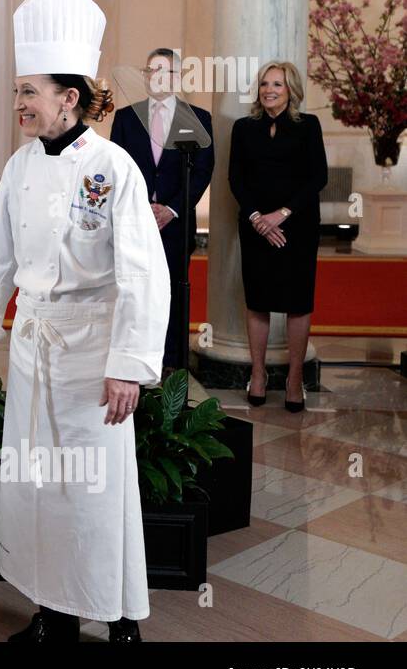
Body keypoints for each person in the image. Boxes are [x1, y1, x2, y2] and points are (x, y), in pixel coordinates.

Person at [0, 0, 170, 643]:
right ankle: (53, 613)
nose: (19, 103)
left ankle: (120, 618)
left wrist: (128, 366)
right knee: (37, 484)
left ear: (69, 98)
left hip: (94, 353)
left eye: (29, 92)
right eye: (18, 92)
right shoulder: (19, 165)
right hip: (33, 346)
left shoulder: (112, 168)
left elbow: (142, 273)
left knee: (94, 489)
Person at [227, 61, 328, 413]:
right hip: (256, 225)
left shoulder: (308, 126)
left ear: (291, 90)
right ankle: (258, 374)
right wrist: (258, 218)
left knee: (298, 302)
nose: (269, 90)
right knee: (258, 300)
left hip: (298, 226)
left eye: (277, 85)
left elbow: (318, 177)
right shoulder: (243, 128)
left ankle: (294, 379)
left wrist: (281, 215)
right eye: (265, 84)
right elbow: (236, 178)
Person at [110, 48, 214, 369]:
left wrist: (172, 209)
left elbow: (202, 171)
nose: (155, 77)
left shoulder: (197, 119)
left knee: (173, 291)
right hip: (134, 222)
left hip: (176, 224)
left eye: (163, 71)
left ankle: (171, 361)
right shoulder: (126, 118)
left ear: (177, 77)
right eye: (150, 70)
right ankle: (133, 357)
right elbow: (116, 168)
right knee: (134, 290)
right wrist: (139, 209)